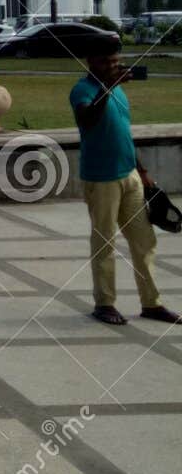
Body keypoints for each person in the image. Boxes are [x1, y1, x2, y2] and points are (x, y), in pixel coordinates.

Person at [70, 42, 179, 327]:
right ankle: (104, 304)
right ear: (91, 61)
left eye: (116, 62)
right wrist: (106, 86)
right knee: (104, 241)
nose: (113, 66)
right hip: (101, 178)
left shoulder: (117, 89)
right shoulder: (83, 90)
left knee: (144, 241)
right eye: (107, 62)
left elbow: (123, 132)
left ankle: (151, 303)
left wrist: (142, 170)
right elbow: (87, 120)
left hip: (129, 174)